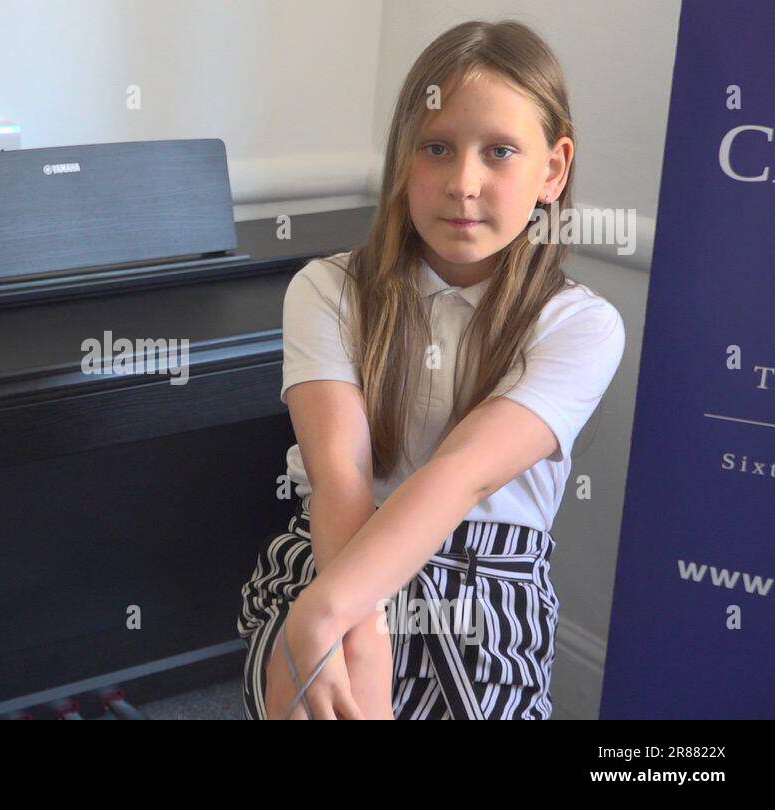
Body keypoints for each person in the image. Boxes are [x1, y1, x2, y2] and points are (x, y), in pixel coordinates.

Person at [236, 19, 626, 720]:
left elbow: (460, 475)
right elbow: (341, 475)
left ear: (553, 169)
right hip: (338, 546)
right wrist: (351, 628)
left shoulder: (581, 325)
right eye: (436, 149)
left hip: (488, 595)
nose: (462, 183)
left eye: (499, 152)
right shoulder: (327, 289)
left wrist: (328, 616)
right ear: (403, 160)